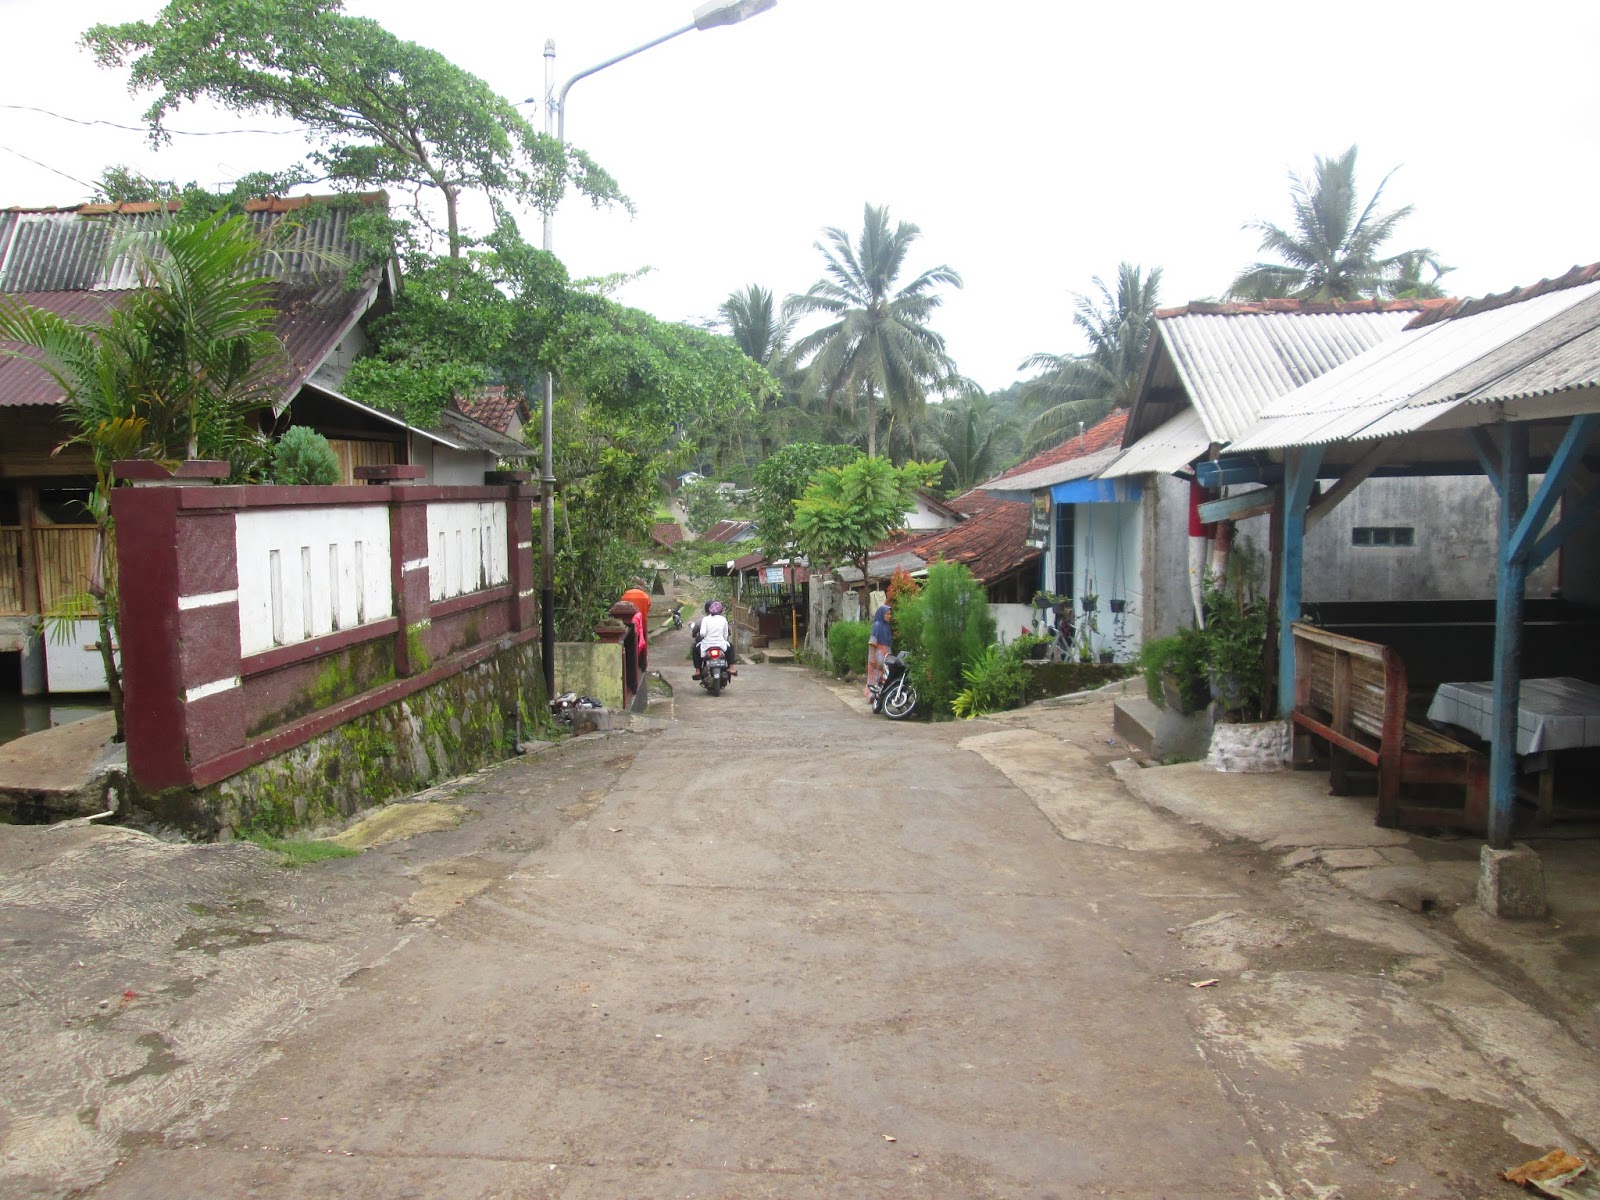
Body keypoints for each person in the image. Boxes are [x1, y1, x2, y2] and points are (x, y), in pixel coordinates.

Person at [691, 600, 733, 679]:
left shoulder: (705, 619)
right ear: (721, 610)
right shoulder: (723, 619)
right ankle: (731, 667)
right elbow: (726, 634)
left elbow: (702, 634)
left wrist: (705, 637)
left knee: (695, 649)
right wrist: (723, 640)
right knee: (731, 647)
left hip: (707, 645)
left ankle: (697, 670)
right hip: (721, 644)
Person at [621, 587, 652, 670]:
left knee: (629, 644)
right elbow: (648, 606)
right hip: (642, 620)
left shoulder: (625, 596)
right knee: (642, 642)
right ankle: (642, 664)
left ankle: (629, 665)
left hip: (628, 622)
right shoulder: (645, 596)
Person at [866, 603, 893, 697]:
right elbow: (872, 642)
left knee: (882, 677)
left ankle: (877, 697)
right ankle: (872, 696)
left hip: (885, 655)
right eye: (887, 614)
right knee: (874, 676)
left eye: (890, 614)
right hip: (877, 654)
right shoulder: (877, 625)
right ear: (882, 614)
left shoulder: (887, 627)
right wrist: (872, 657)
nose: (889, 616)